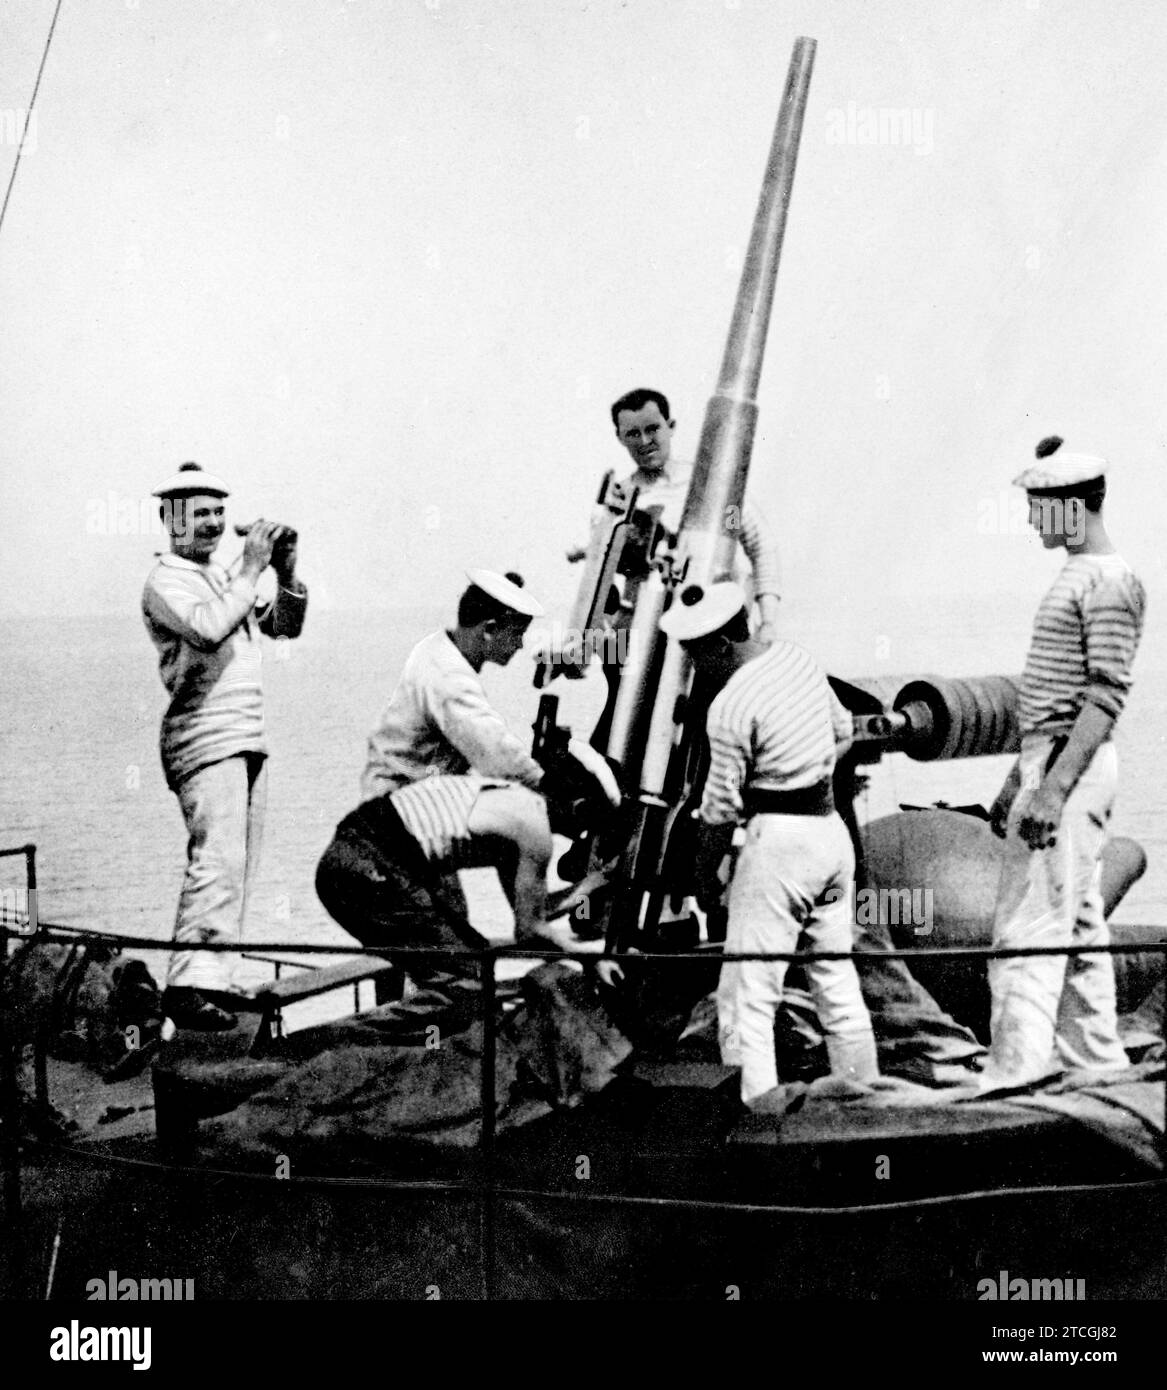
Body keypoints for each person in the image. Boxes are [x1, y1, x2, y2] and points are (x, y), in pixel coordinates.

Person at [660, 581, 878, 1110]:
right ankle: (868, 1096)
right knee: (835, 978)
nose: (693, 665)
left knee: (747, 996)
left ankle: (755, 1117)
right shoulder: (798, 661)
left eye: (694, 653)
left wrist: (703, 878)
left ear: (718, 644)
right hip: (831, 837)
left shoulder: (729, 706)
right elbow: (842, 730)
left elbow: (717, 810)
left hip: (780, 846)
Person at [982, 437, 1146, 1088]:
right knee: (1078, 927)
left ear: (1070, 505)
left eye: (1036, 506)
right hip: (1048, 761)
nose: (1028, 521)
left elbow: (1104, 697)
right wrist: (1013, 782)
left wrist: (1048, 792)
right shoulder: (1080, 574)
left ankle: (1013, 1078)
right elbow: (1051, 699)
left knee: (1027, 927)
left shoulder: (1108, 580)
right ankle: (1097, 1062)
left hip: (1066, 770)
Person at [142, 462, 307, 1029]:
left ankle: (217, 978)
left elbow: (285, 625)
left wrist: (285, 573)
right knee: (215, 858)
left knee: (238, 864)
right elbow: (210, 627)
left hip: (244, 732)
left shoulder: (220, 575)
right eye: (200, 514)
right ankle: (187, 986)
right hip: (203, 733)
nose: (213, 524)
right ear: (169, 519)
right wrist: (252, 565)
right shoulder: (165, 581)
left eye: (219, 512)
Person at [317, 764, 620, 1034]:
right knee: (464, 986)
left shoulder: (512, 799)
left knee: (470, 964)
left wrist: (590, 885)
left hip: (348, 858)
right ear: (580, 809)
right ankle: (332, 1042)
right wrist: (590, 960)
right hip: (372, 869)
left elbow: (529, 915)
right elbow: (530, 932)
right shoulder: (535, 831)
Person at [569, 388, 782, 643]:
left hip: (715, 631)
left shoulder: (716, 491)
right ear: (620, 437)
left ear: (670, 426)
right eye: (633, 433)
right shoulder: (617, 503)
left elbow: (758, 546)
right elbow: (601, 578)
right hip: (645, 629)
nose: (645, 441)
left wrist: (768, 621)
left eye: (653, 429)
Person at [361, 569, 547, 800]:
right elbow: (495, 751)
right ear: (489, 629)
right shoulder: (448, 676)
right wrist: (546, 784)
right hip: (398, 805)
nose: (520, 645)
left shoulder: (436, 649)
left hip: (407, 793)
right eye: (517, 633)